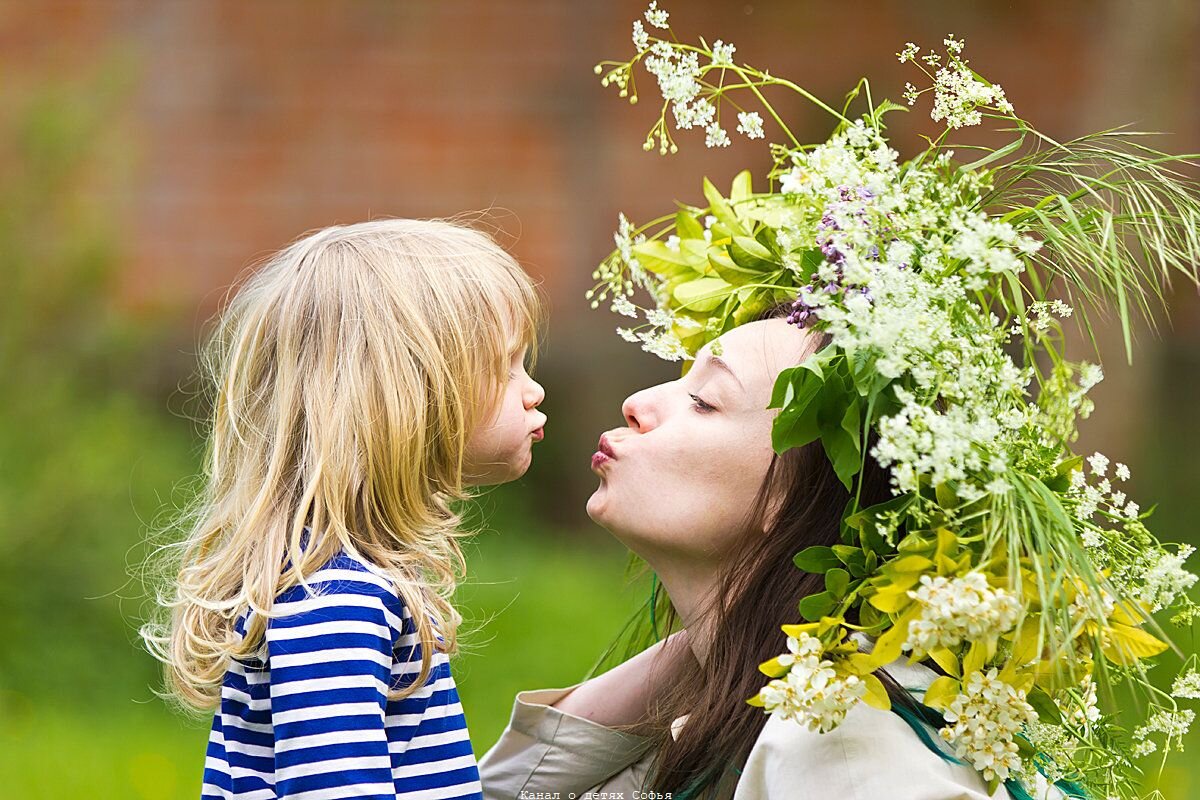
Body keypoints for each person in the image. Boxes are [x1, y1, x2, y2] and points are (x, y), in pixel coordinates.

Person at [479, 311, 1058, 799]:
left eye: (704, 400)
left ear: (793, 498)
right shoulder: (756, 696)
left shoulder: (837, 739)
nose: (636, 403)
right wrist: (713, 642)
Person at [142, 218, 547, 800]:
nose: (532, 389)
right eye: (506, 367)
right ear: (409, 399)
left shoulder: (341, 578)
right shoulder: (334, 600)